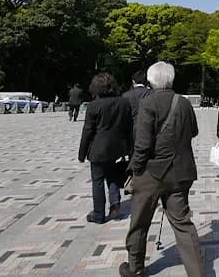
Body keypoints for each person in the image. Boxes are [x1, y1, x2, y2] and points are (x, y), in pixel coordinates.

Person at [120, 62, 204, 277]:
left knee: (139, 222)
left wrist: (135, 170)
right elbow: (194, 131)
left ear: (150, 81)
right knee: (183, 224)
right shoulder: (183, 102)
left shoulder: (148, 104)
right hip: (180, 171)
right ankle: (197, 273)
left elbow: (142, 144)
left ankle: (135, 268)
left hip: (151, 172)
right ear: (171, 79)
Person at [78, 72, 133, 224]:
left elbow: (88, 131)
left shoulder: (94, 105)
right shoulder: (123, 102)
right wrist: (130, 148)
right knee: (113, 175)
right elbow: (129, 127)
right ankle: (115, 205)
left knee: (98, 181)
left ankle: (99, 214)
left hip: (98, 149)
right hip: (118, 147)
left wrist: (82, 153)